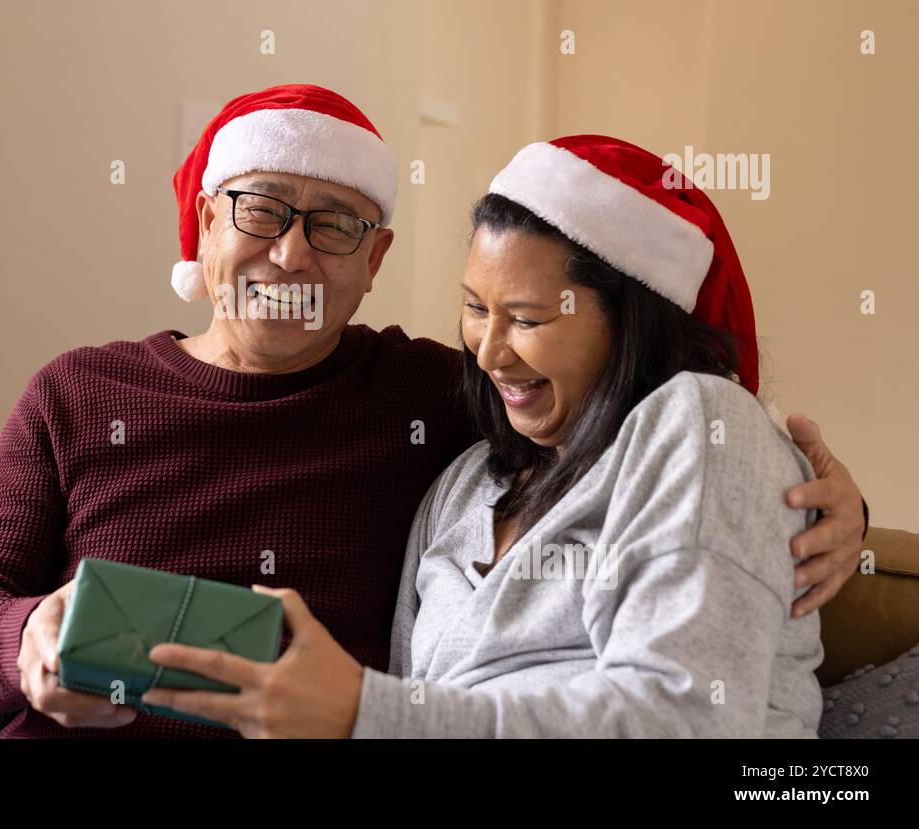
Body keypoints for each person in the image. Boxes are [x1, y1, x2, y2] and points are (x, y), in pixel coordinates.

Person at [0, 88, 866, 738]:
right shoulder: (79, 393)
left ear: (374, 262)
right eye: (261, 211)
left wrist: (824, 504)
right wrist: (23, 646)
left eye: (335, 225)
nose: (293, 256)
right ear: (207, 223)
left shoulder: (426, 401)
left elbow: (678, 452)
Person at [141, 136, 832, 737]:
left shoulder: (700, 424)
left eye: (527, 319)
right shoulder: (469, 479)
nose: (489, 352)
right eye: (475, 309)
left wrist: (365, 713)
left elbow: (687, 720)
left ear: (632, 326)